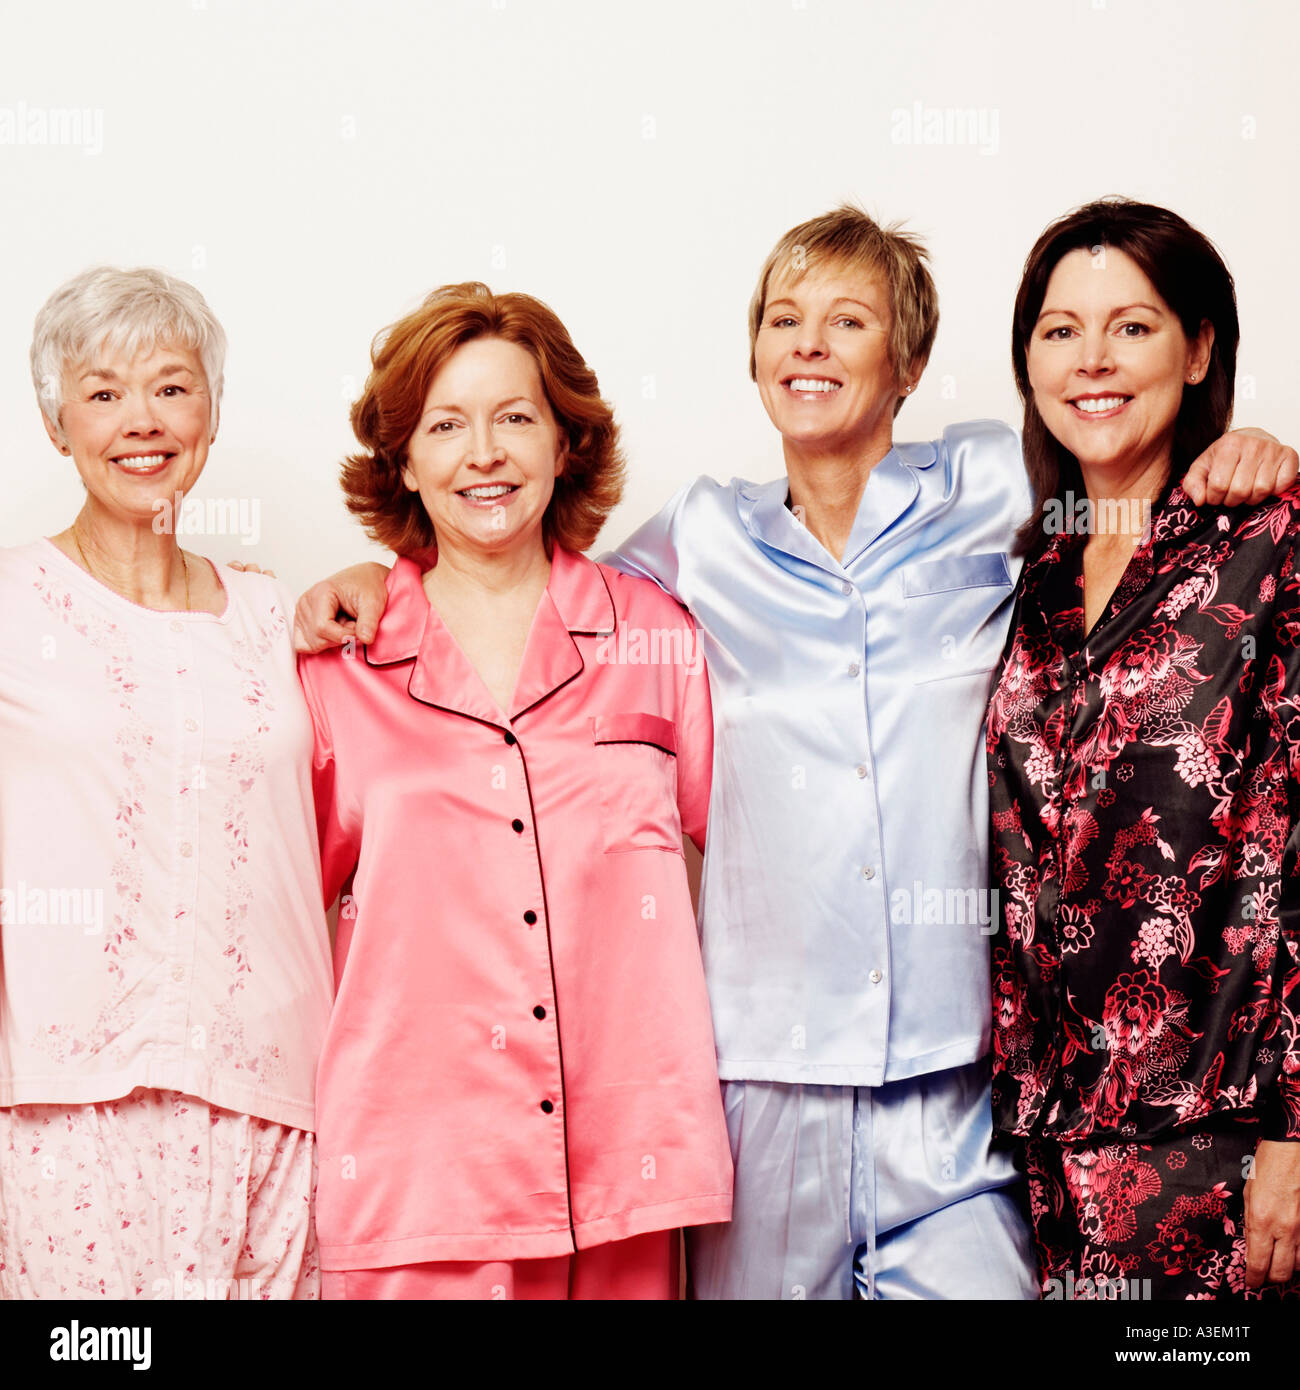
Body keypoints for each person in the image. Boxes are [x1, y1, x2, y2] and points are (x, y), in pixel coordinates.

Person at [295, 208, 1296, 1299]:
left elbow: (1124, 464)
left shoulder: (1001, 488)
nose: (809, 343)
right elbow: (511, 564)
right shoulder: (695, 542)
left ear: (908, 359)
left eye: (847, 318)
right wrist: (378, 578)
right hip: (760, 1086)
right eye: (785, 318)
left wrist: (1239, 448)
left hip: (960, 1087)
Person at [297, 282, 731, 1300]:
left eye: (515, 418)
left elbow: (765, 877)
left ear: (564, 442)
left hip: (629, 1178)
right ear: (402, 460)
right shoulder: (335, 670)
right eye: (445, 425)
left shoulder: (659, 640)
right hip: (416, 1191)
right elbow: (266, 928)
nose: (482, 453)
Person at [987, 199, 1300, 1300]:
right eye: (1059, 331)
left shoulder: (1271, 542)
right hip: (1053, 1151)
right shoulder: (1036, 584)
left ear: (1199, 345)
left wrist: (1293, 1136)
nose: (1092, 360)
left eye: (1130, 325)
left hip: (1220, 1143)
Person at [0, 267, 332, 1300]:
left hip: (276, 1098)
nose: (142, 420)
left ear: (214, 410)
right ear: (57, 425)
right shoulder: (12, 603)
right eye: (102, 393)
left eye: (172, 386)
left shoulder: (279, 617)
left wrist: (379, 580)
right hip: (69, 1104)